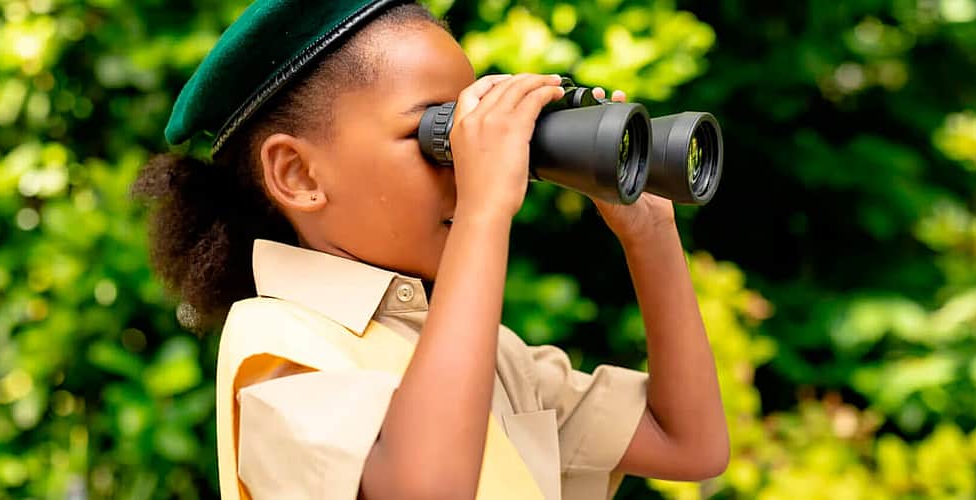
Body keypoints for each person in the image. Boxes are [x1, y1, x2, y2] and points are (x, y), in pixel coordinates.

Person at [132, 0, 729, 498]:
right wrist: (483, 210)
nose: (469, 167)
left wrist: (649, 233)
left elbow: (689, 443)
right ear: (299, 175)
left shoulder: (486, 356)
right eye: (438, 135)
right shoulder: (273, 343)